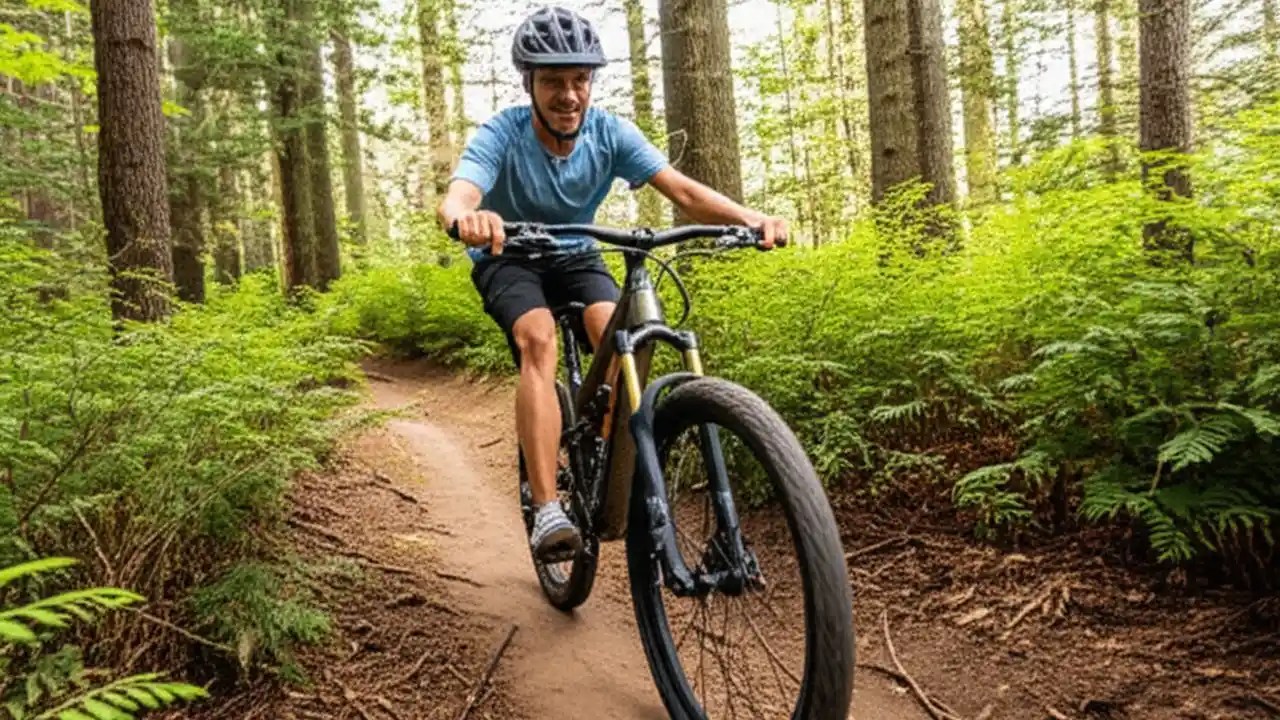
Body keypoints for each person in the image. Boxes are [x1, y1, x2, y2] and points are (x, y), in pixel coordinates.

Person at [436, 5, 788, 561]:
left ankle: (605, 464)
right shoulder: (501, 133)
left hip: (579, 254)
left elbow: (684, 192)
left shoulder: (609, 134)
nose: (569, 95)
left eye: (580, 80)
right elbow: (460, 193)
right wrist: (468, 218)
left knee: (625, 343)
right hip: (512, 255)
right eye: (554, 81)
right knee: (538, 338)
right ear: (530, 83)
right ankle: (549, 507)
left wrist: (751, 218)